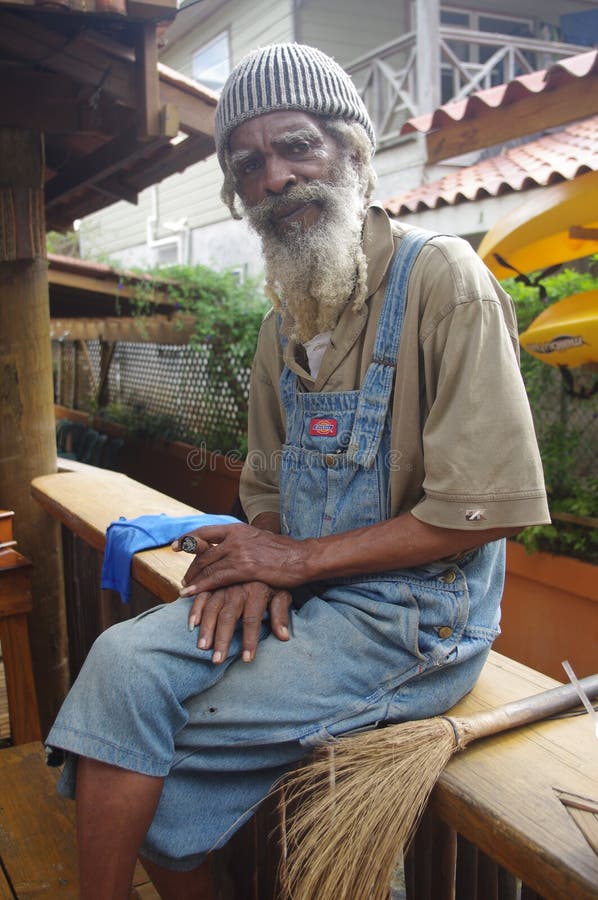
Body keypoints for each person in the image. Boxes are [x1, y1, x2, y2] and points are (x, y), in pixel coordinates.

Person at [46, 43, 550, 900]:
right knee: (126, 678)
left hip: (419, 625)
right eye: (248, 165)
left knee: (132, 714)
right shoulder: (284, 327)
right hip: (312, 601)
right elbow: (272, 496)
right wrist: (258, 555)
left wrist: (297, 563)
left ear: (352, 152)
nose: (275, 178)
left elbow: (488, 509)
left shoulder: (443, 282)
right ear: (239, 194)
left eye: (297, 146)